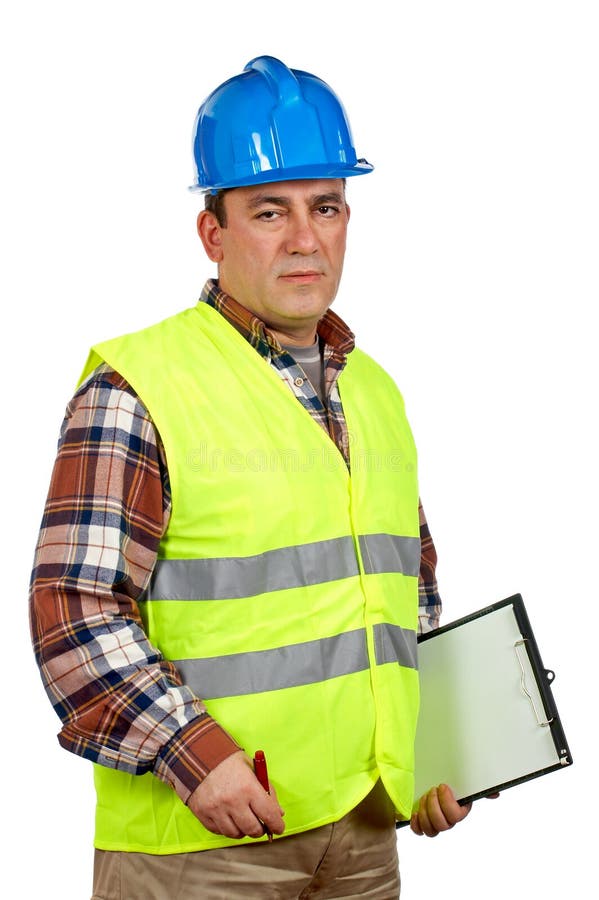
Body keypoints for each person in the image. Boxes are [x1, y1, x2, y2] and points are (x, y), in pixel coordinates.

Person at [30, 56, 473, 900]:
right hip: (201, 843)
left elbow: (404, 596)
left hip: (364, 830)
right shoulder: (139, 383)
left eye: (327, 208)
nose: (305, 238)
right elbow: (72, 611)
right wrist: (192, 756)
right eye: (270, 211)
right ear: (214, 232)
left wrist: (433, 751)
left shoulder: (372, 390)